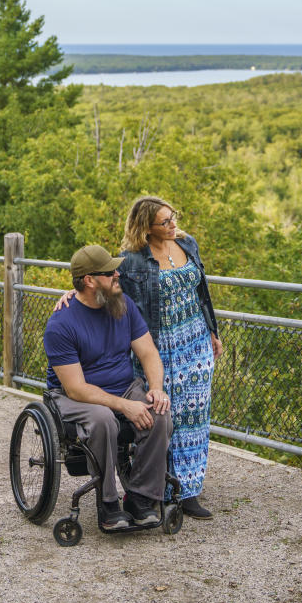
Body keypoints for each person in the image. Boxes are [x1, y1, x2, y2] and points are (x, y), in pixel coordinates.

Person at [43, 244, 173, 532]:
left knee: (160, 413)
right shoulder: (61, 325)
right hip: (77, 396)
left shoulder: (122, 306)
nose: (118, 274)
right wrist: (124, 406)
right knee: (103, 421)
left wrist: (156, 388)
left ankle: (140, 497)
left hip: (124, 386)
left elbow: (149, 353)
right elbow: (76, 389)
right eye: (110, 271)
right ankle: (108, 503)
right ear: (89, 280)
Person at [117, 196, 221, 519]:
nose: (173, 224)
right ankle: (161, 488)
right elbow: (102, 286)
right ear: (146, 228)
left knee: (196, 417)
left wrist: (213, 332)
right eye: (165, 221)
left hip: (196, 343)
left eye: (173, 217)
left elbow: (201, 292)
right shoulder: (132, 260)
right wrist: (70, 295)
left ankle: (190, 491)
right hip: (160, 346)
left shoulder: (188, 244)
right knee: (167, 414)